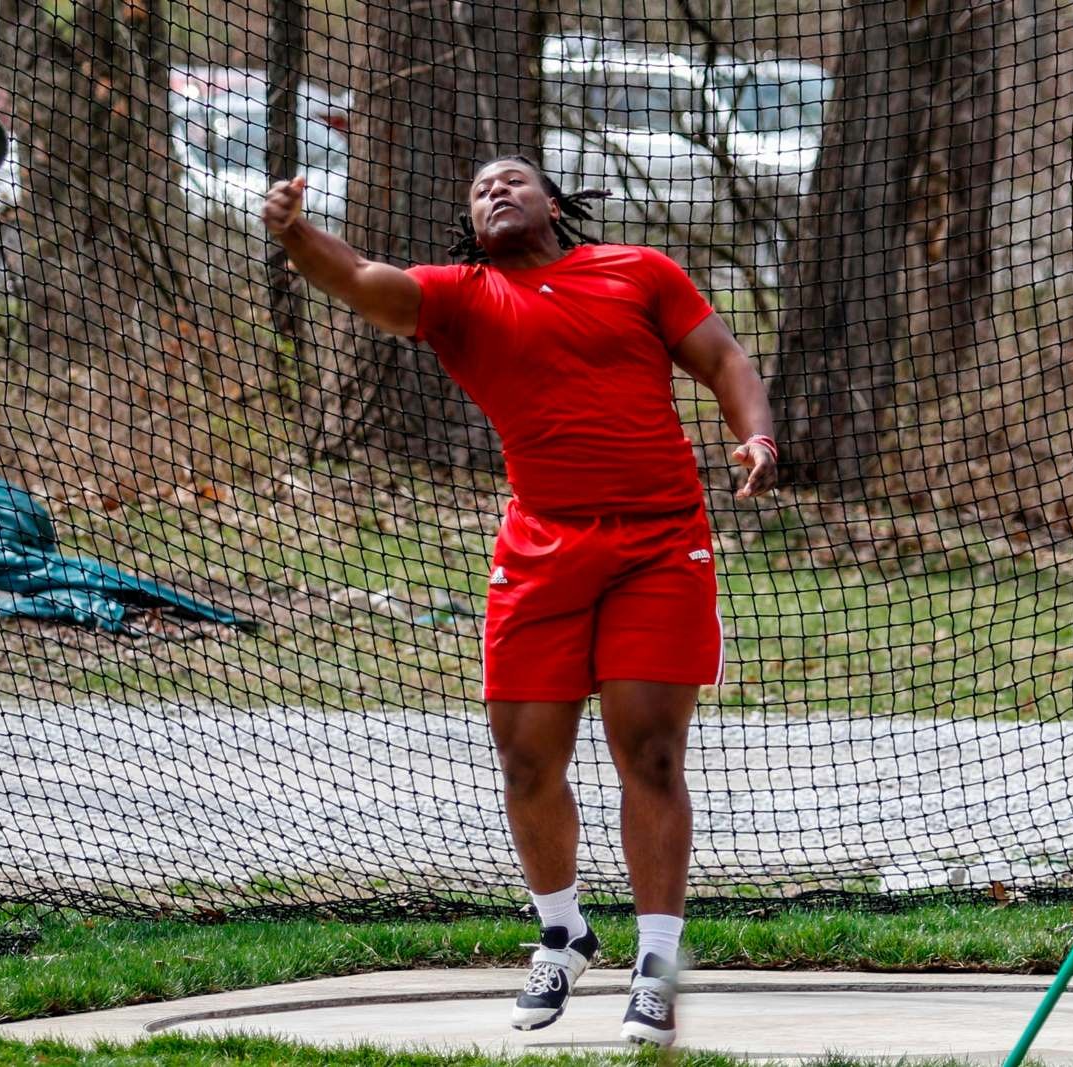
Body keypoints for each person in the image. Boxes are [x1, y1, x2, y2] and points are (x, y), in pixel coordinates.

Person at [262, 158, 776, 1048]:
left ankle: (658, 963)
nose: (494, 191)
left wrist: (755, 433)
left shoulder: (639, 272)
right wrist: (295, 233)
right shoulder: (459, 298)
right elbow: (355, 280)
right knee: (525, 760)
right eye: (477, 189)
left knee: (649, 749)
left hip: (658, 540)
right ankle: (563, 932)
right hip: (541, 549)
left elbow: (726, 357)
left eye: (512, 180)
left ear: (553, 202)